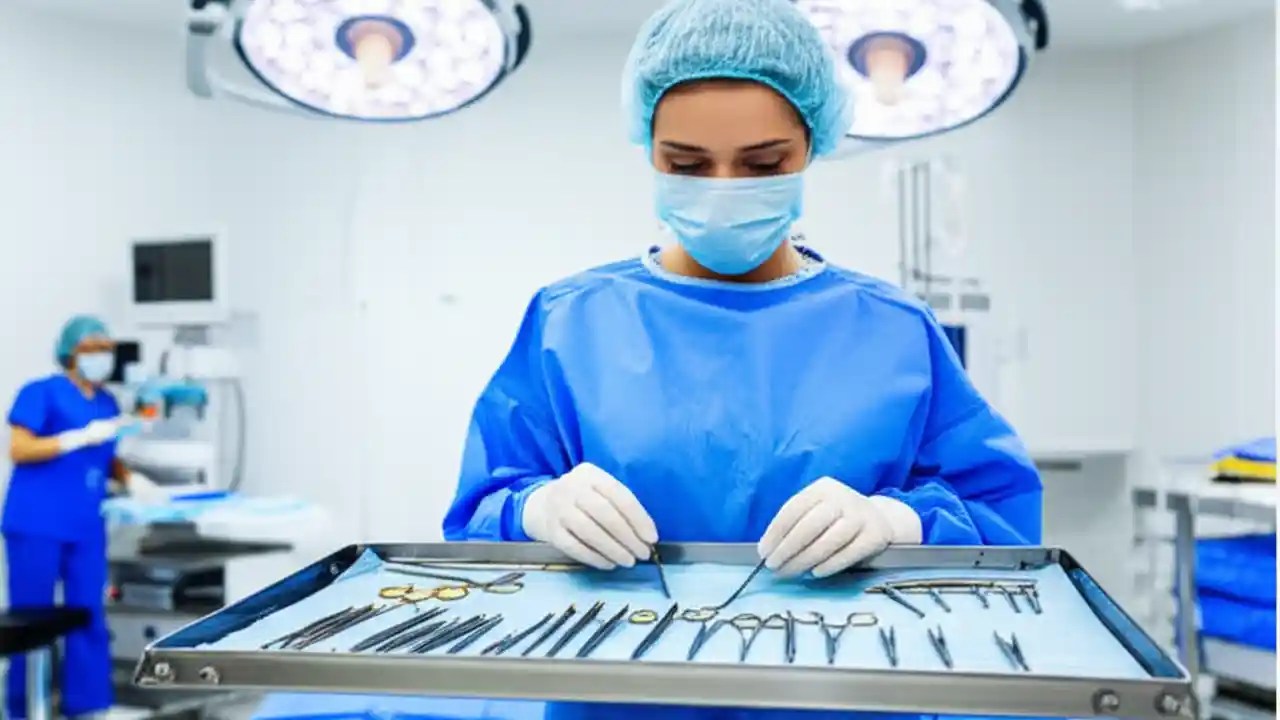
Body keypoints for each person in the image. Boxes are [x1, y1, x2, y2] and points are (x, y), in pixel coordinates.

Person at [444, 0, 1042, 717]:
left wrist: (900, 523)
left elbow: (1002, 521)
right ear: (648, 150)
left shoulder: (891, 330)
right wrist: (533, 509)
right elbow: (476, 519)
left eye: (763, 164)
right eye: (686, 164)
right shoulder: (569, 322)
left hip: (845, 698)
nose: (724, 188)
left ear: (812, 145)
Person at [4, 315, 131, 720]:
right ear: (70, 353)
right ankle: (22, 708)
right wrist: (76, 437)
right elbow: (20, 449)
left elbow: (107, 457)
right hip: (37, 522)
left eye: (105, 349)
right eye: (91, 349)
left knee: (88, 614)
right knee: (32, 619)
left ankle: (90, 705)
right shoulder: (42, 392)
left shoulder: (107, 402)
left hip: (84, 525)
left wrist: (136, 481)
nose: (100, 357)